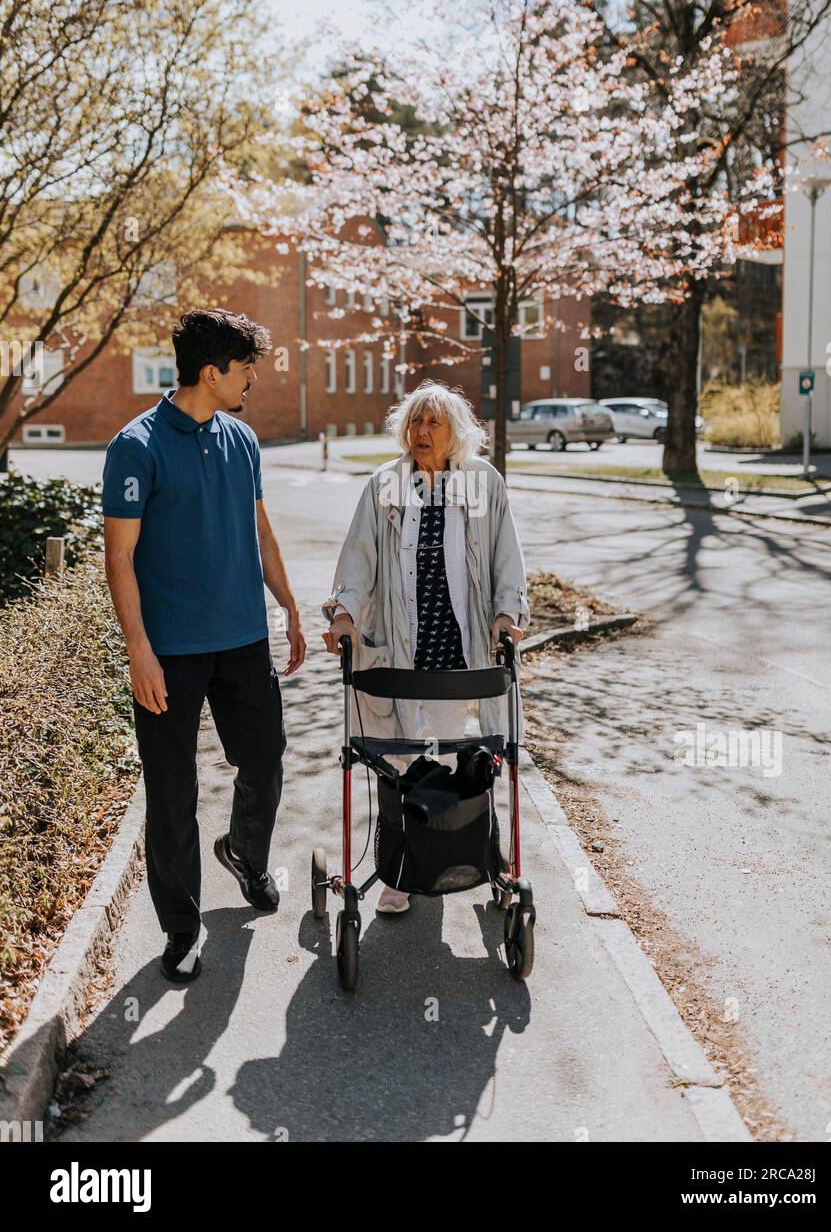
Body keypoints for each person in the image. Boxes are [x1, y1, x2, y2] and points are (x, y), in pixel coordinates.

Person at [102, 309, 306, 983]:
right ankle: (182, 929)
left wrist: (290, 607)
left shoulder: (244, 440)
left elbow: (262, 532)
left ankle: (245, 853)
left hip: (244, 641)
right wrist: (138, 649)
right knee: (172, 791)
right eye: (246, 368)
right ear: (212, 371)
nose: (254, 378)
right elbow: (120, 557)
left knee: (265, 760)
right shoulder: (136, 447)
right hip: (171, 653)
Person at [322, 380, 530, 915]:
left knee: (453, 757)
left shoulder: (483, 484)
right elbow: (359, 557)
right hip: (396, 648)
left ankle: (466, 858)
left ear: (454, 432)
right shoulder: (385, 484)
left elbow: (507, 557)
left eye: (433, 423)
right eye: (415, 422)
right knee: (398, 761)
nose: (421, 432)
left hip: (459, 652)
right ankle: (399, 871)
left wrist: (508, 613)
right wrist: (344, 613)